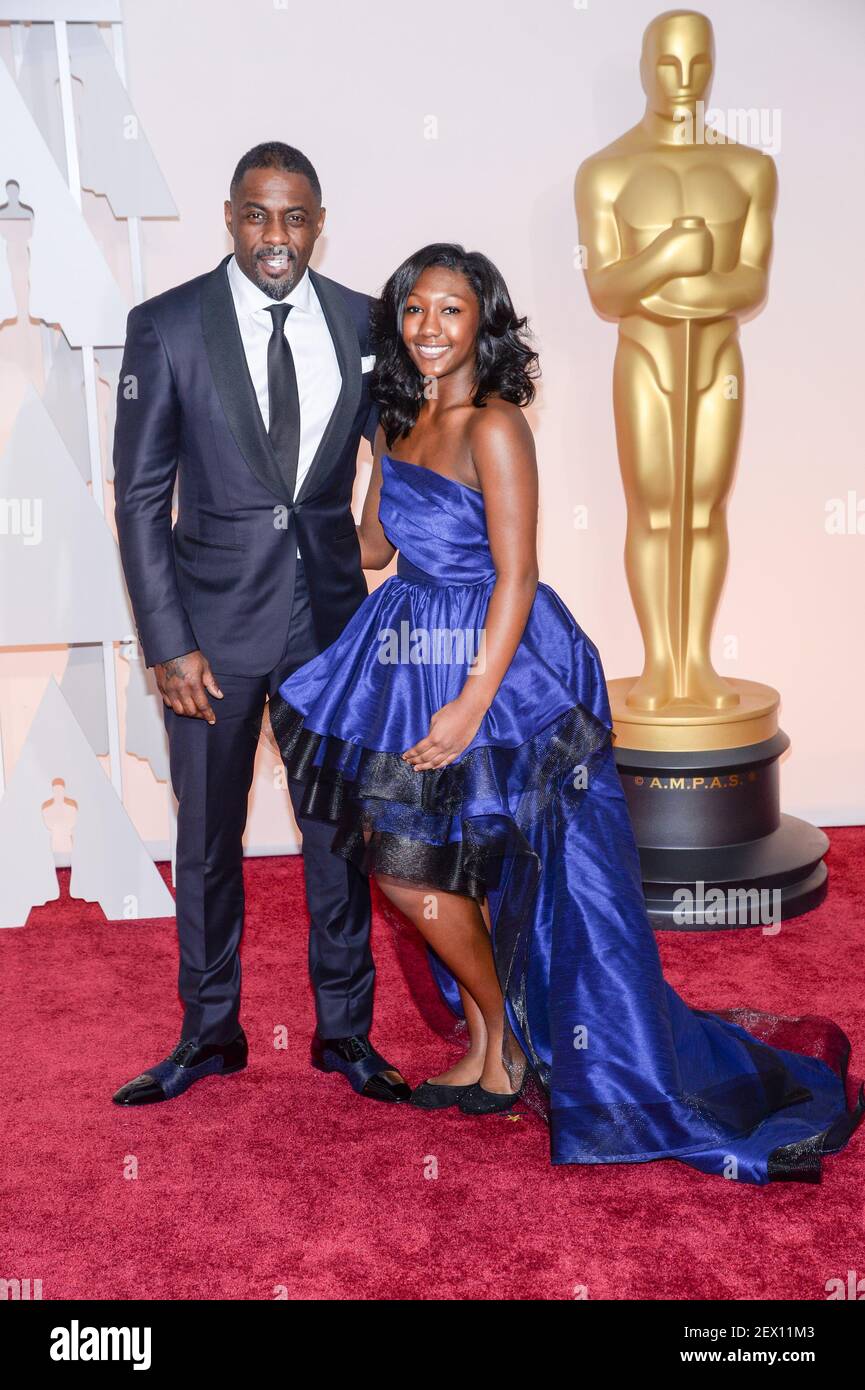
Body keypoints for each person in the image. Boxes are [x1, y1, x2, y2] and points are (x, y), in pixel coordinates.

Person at [268, 242, 864, 1183]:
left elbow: (517, 574)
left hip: (499, 665)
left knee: (481, 867)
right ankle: (493, 1040)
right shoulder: (403, 415)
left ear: (483, 325)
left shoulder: (495, 426)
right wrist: (368, 457)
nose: (429, 327)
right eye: (414, 309)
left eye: (450, 311)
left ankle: (506, 1042)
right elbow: (379, 548)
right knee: (423, 866)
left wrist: (470, 704)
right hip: (410, 643)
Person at [111, 143, 409, 1106]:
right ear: (229, 215)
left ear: (318, 222)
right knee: (205, 841)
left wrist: (375, 532)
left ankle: (345, 1033)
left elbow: (398, 444)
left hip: (329, 625)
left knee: (338, 837)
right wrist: (167, 643)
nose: (275, 237)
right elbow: (140, 498)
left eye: (294, 218)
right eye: (256, 215)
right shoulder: (168, 327)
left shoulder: (365, 322)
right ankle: (209, 1035)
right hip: (209, 634)